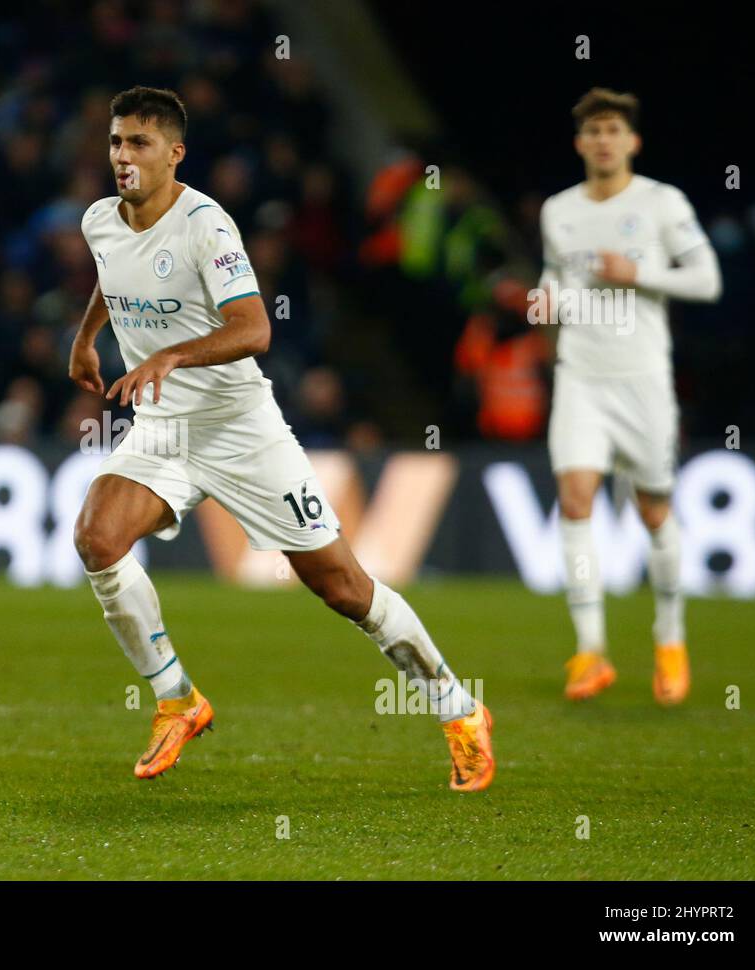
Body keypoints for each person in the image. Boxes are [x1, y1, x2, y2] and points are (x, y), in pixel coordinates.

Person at [70, 86, 494, 791]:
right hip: (164, 428)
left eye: (139, 143)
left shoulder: (208, 226)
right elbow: (111, 280)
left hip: (241, 429)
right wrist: (87, 339)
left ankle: (459, 709)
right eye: (116, 141)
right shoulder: (98, 220)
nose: (122, 156)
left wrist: (173, 354)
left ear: (174, 154)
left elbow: (254, 330)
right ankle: (178, 699)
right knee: (97, 536)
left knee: (341, 586)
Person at [537, 88, 722, 704]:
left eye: (613, 129)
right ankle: (590, 650)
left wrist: (637, 273)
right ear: (579, 143)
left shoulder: (663, 203)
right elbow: (553, 280)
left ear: (632, 141)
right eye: (593, 131)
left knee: (652, 513)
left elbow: (707, 279)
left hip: (641, 379)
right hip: (580, 375)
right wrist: (543, 300)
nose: (603, 140)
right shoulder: (558, 210)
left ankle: (669, 639)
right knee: (575, 498)